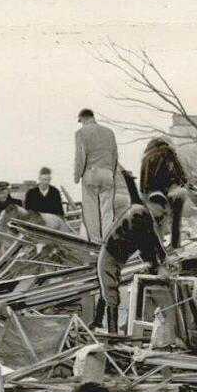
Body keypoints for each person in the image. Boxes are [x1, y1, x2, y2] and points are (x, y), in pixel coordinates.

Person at [95, 193, 170, 334]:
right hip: (110, 256)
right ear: (156, 206)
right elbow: (145, 245)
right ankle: (112, 334)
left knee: (107, 290)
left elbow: (153, 239)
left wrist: (163, 255)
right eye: (163, 212)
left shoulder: (144, 214)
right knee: (111, 294)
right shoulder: (139, 214)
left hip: (116, 258)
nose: (163, 216)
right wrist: (157, 267)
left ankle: (97, 323)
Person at [73, 108, 119, 241]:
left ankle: (95, 241)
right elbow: (115, 156)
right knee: (107, 211)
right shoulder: (109, 132)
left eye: (81, 121)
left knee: (91, 210)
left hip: (91, 173)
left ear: (83, 119)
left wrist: (77, 176)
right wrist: (111, 173)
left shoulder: (81, 132)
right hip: (108, 173)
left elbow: (80, 157)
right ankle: (107, 239)